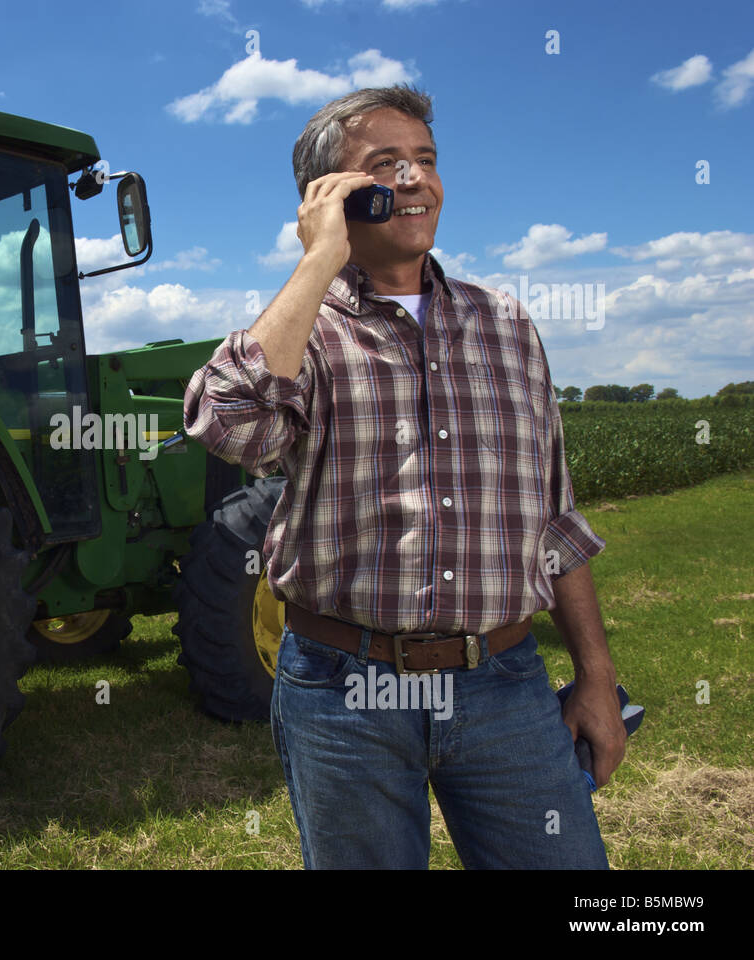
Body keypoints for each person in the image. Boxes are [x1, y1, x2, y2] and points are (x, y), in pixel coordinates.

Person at [182, 85, 626, 869]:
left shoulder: (508, 326)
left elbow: (554, 520)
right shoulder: (304, 333)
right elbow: (230, 428)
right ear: (333, 195)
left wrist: (596, 674)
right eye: (385, 164)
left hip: (505, 683)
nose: (416, 178)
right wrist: (323, 257)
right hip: (342, 690)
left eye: (425, 160)